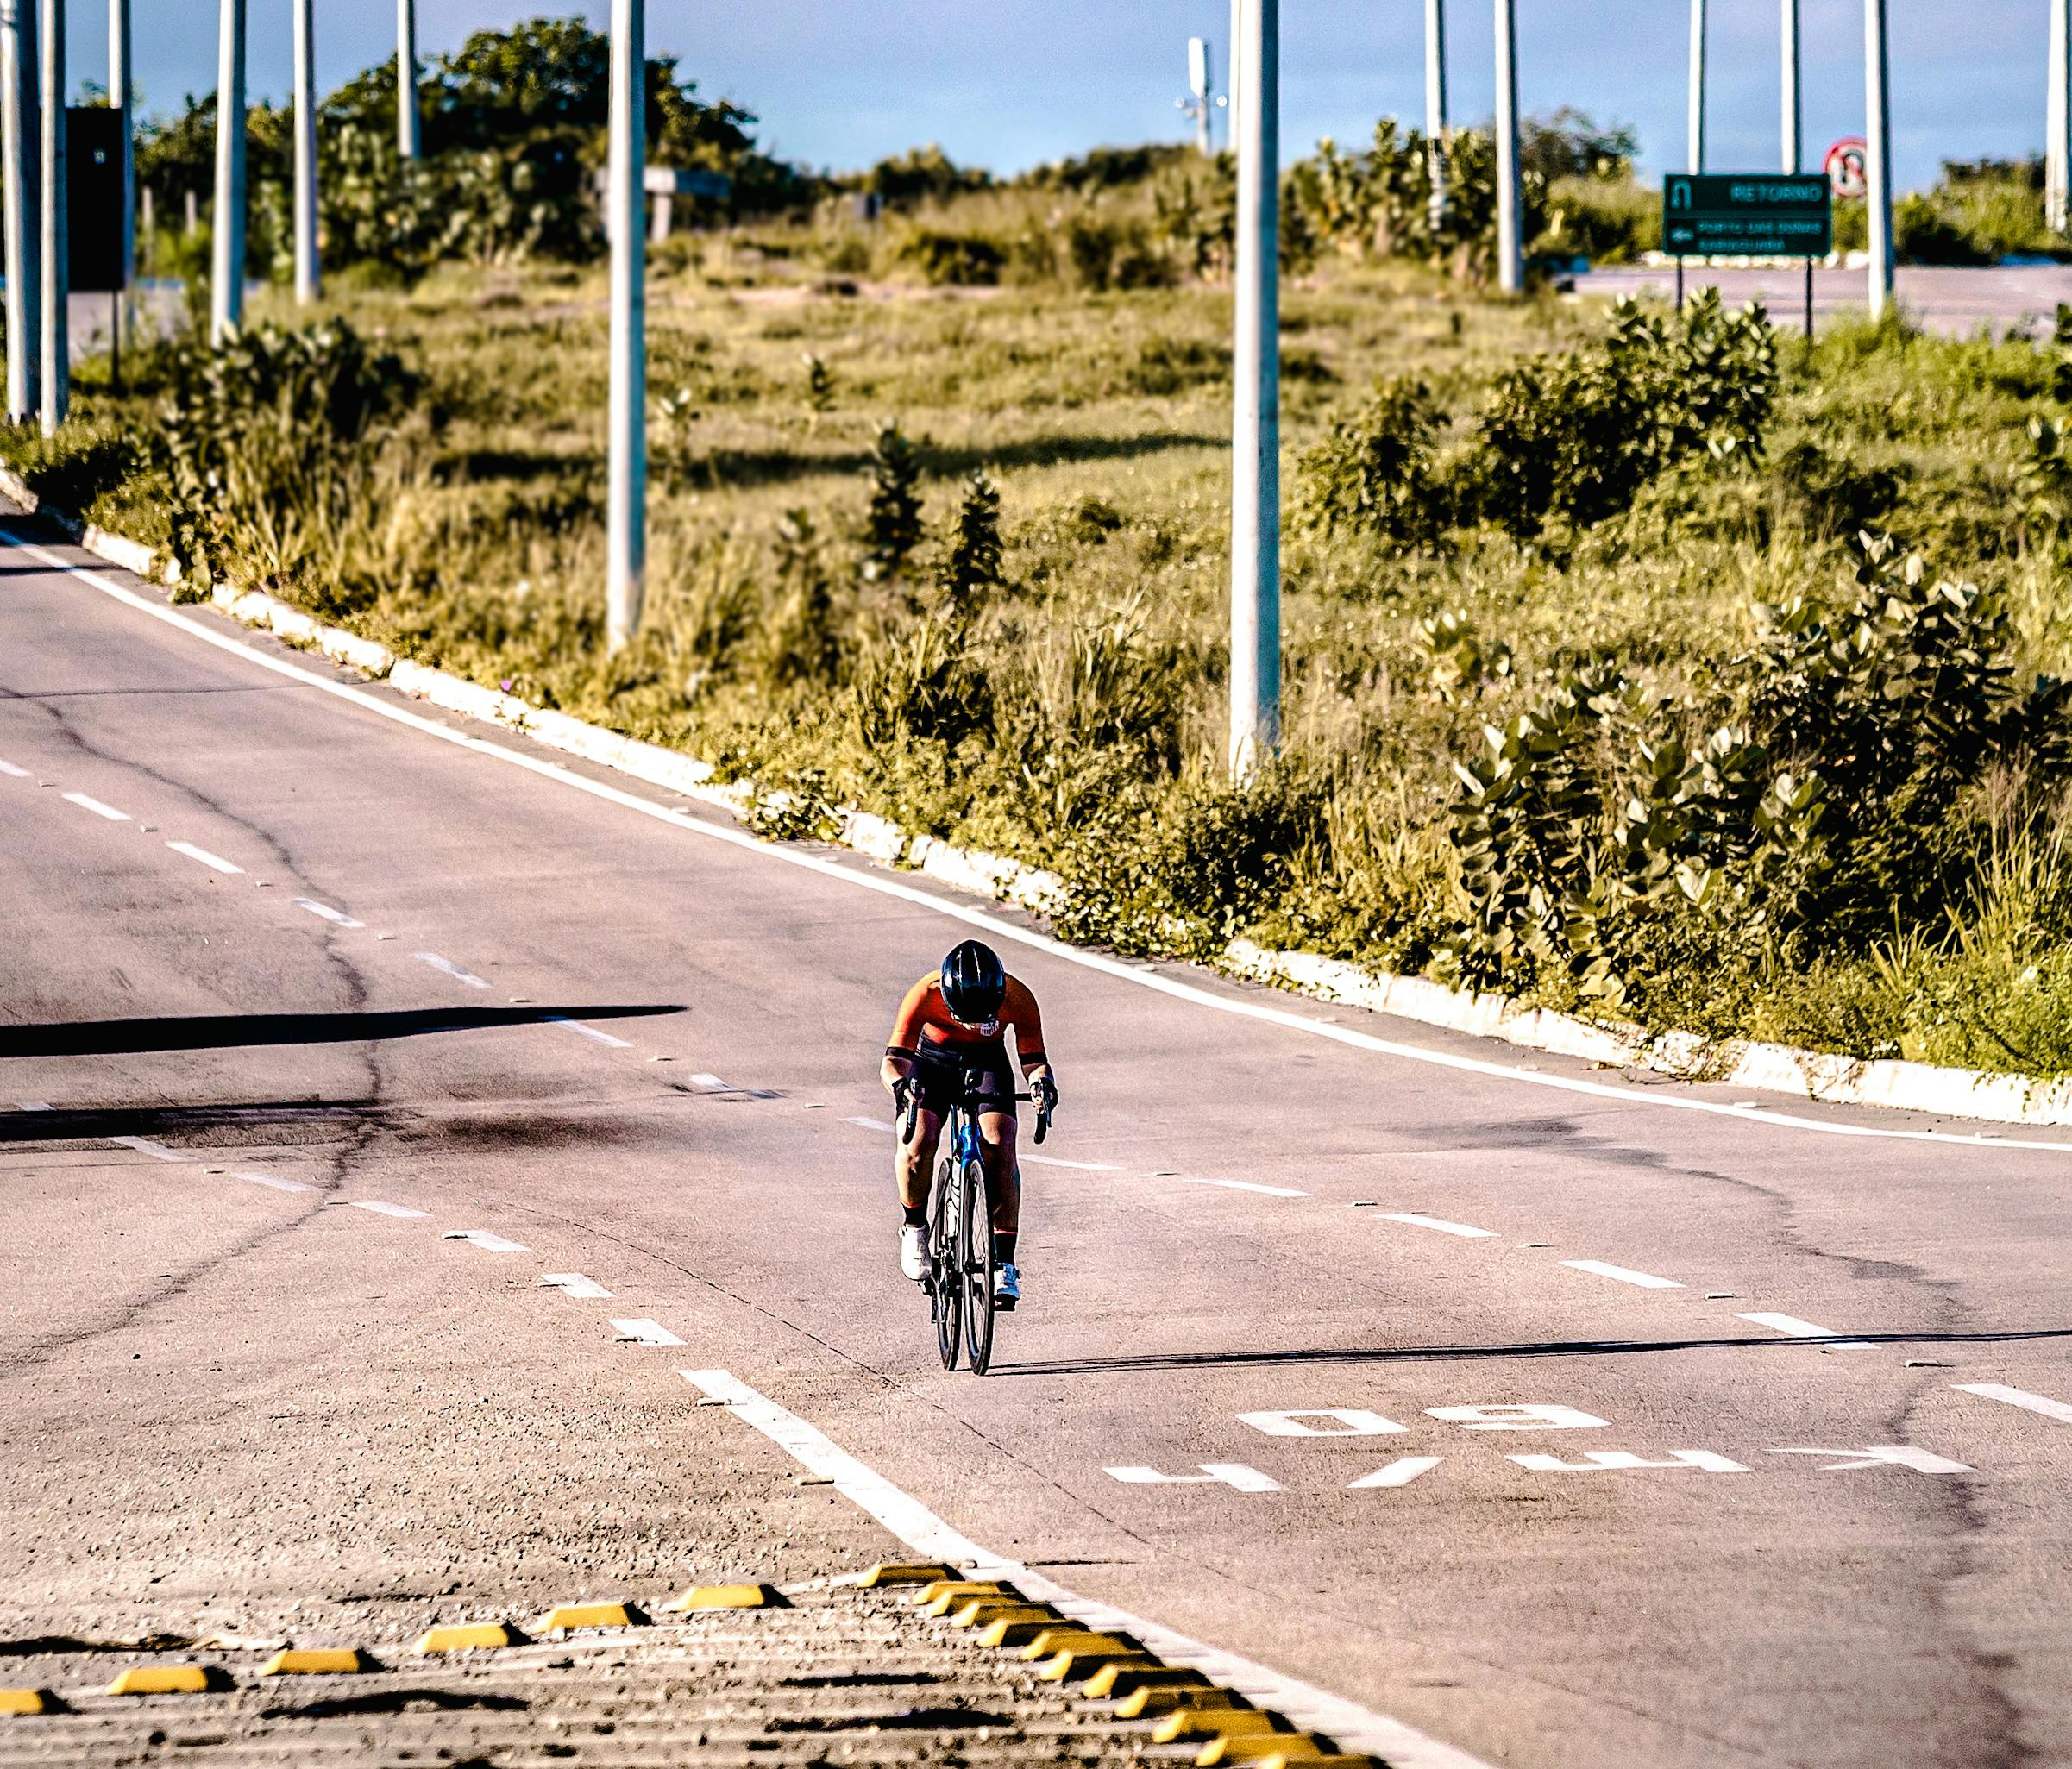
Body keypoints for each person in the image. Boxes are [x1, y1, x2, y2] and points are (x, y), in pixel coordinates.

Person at [880, 938, 1057, 1309]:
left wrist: (1042, 1085)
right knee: (917, 1141)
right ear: (945, 994)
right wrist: (901, 1090)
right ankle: (914, 1226)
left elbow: (1034, 1060)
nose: (974, 1023)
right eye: (964, 1014)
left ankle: (1004, 1261)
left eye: (982, 1016)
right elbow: (893, 1062)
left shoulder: (1017, 997)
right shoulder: (924, 994)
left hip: (987, 1063)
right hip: (934, 1063)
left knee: (1000, 1141)